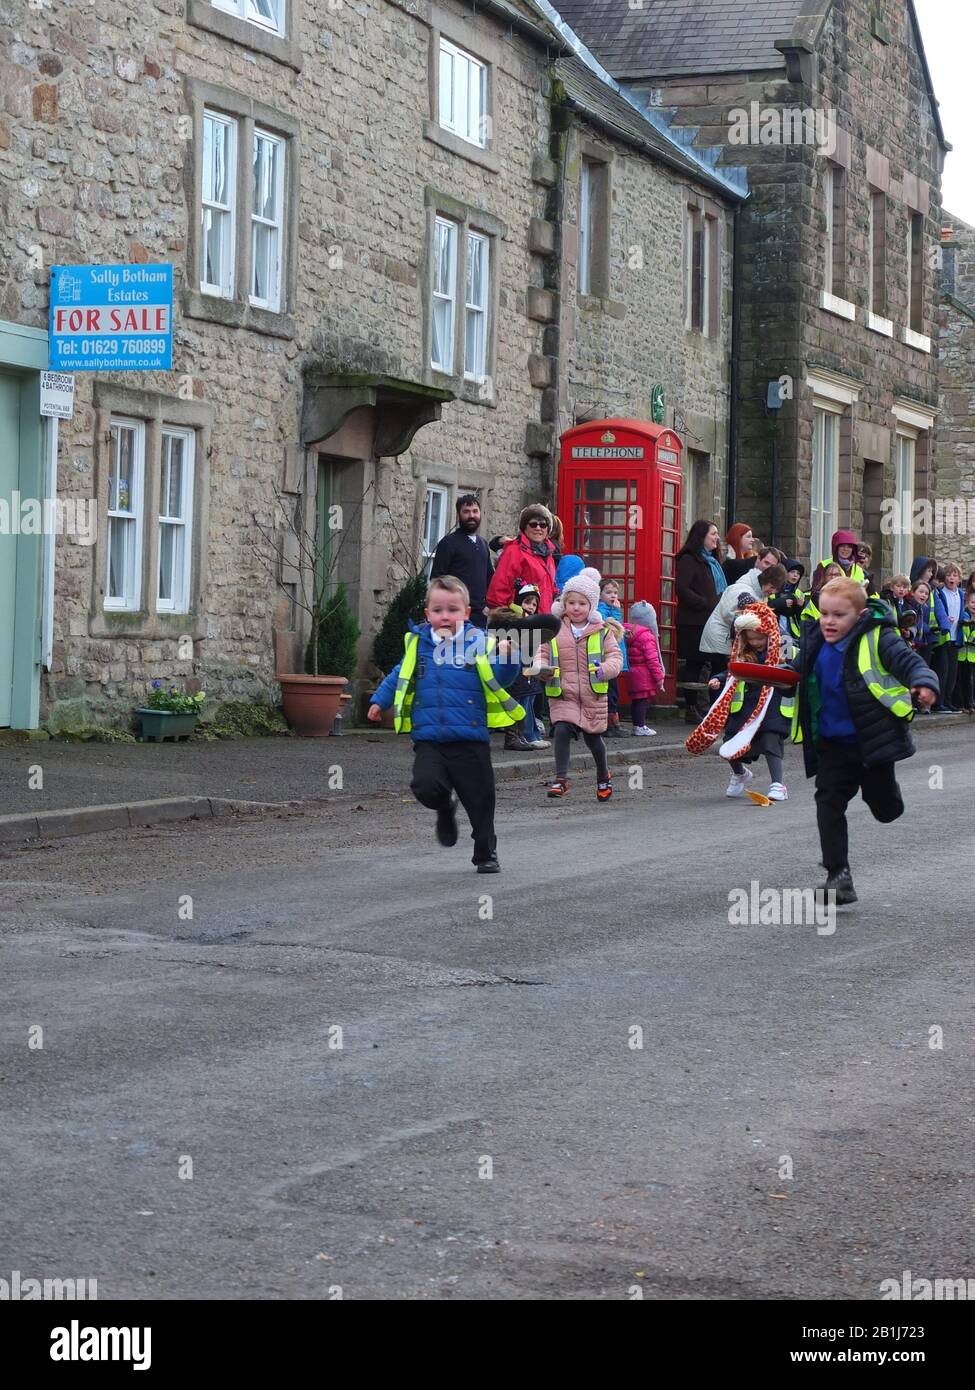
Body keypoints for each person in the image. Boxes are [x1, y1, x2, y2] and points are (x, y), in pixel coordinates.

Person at [789, 578, 939, 905]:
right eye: (825, 613)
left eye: (838, 615)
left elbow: (910, 662)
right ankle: (838, 875)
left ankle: (889, 798)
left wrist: (924, 684)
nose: (829, 621)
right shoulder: (815, 639)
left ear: (858, 615)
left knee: (885, 809)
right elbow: (795, 671)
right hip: (832, 744)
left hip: (870, 742)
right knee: (828, 802)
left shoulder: (879, 637)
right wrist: (770, 676)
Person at [367, 575, 523, 873]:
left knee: (480, 801)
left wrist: (509, 657)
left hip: (470, 737)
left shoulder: (480, 642)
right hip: (429, 737)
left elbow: (501, 679)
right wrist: (379, 700)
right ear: (427, 614)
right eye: (438, 610)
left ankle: (485, 853)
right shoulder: (418, 644)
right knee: (425, 786)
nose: (445, 616)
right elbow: (399, 674)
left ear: (466, 613)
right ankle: (444, 807)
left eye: (453, 609)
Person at [538, 567, 623, 801]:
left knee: (593, 739)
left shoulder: (602, 632)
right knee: (562, 731)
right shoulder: (554, 629)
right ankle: (561, 778)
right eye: (571, 602)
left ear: (591, 607)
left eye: (582, 604)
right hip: (563, 693)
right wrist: (541, 668)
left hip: (592, 695)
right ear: (564, 604)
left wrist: (605, 669)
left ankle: (603, 775)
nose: (576, 608)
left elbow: (616, 658)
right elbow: (542, 653)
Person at [703, 606, 794, 801]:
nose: (756, 643)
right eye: (751, 639)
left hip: (774, 702)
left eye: (760, 638)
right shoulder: (743, 651)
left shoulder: (785, 645)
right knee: (729, 744)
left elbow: (795, 668)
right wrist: (719, 678)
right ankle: (739, 774)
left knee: (771, 738)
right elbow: (733, 670)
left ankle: (778, 784)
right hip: (746, 704)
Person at [699, 554, 787, 679]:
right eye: (772, 587)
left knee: (723, 676)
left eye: (775, 590)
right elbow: (730, 614)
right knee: (720, 677)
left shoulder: (758, 592)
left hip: (726, 639)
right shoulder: (743, 591)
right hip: (720, 640)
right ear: (765, 581)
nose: (772, 592)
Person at [490, 581, 551, 752]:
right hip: (517, 668)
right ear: (518, 601)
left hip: (528, 666)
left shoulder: (530, 621)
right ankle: (517, 736)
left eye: (534, 604)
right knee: (518, 702)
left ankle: (526, 735)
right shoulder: (513, 620)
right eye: (527, 602)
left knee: (527, 700)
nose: (531, 607)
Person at [676, 520, 726, 722]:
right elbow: (682, 588)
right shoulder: (689, 559)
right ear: (701, 536)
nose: (717, 537)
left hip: (713, 623)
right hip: (693, 623)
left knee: (719, 662)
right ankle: (691, 708)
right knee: (694, 665)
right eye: (713, 533)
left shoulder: (712, 562)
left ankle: (715, 708)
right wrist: (703, 602)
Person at [486, 503, 558, 613]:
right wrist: (503, 620)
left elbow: (549, 586)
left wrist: (559, 598)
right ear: (524, 528)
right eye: (533, 524)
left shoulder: (548, 554)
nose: (538, 528)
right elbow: (499, 589)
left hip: (544, 619)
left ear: (548, 529)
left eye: (543, 525)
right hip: (521, 621)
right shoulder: (514, 552)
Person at [625, 600, 665, 736]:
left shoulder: (628, 632)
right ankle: (640, 726)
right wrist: (659, 678)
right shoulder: (647, 636)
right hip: (643, 674)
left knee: (636, 701)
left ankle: (637, 725)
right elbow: (653, 660)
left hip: (631, 672)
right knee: (642, 701)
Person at [598, 577, 629, 737]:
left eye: (616, 592)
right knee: (609, 692)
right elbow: (612, 627)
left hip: (615, 656)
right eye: (608, 592)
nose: (613, 596)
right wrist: (617, 612)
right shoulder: (601, 611)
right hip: (606, 658)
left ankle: (613, 723)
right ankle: (609, 724)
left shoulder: (610, 609)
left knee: (613, 692)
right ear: (599, 594)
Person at [938, 563, 964, 712]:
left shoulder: (960, 594)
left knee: (953, 672)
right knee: (943, 671)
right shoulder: (941, 593)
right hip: (945, 638)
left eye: (954, 575)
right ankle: (940, 702)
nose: (951, 578)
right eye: (948, 575)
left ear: (959, 579)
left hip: (956, 638)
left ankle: (948, 701)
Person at [956, 590, 975, 712]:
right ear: (967, 603)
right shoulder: (963, 616)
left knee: (970, 682)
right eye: (973, 602)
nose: (974, 605)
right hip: (961, 654)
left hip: (972, 656)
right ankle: (961, 704)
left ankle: (970, 704)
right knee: (959, 681)